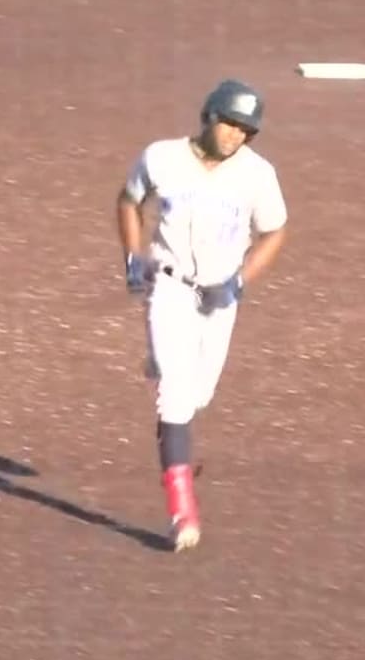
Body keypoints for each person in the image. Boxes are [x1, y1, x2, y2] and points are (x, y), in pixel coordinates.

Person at [114, 78, 289, 551]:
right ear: (209, 116)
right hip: (169, 286)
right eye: (230, 123)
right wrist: (133, 257)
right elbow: (129, 200)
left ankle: (164, 365)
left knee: (197, 395)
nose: (236, 135)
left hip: (220, 295)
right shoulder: (162, 158)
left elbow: (275, 231)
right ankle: (182, 510)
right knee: (174, 392)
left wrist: (240, 281)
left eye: (246, 130)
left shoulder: (258, 175)